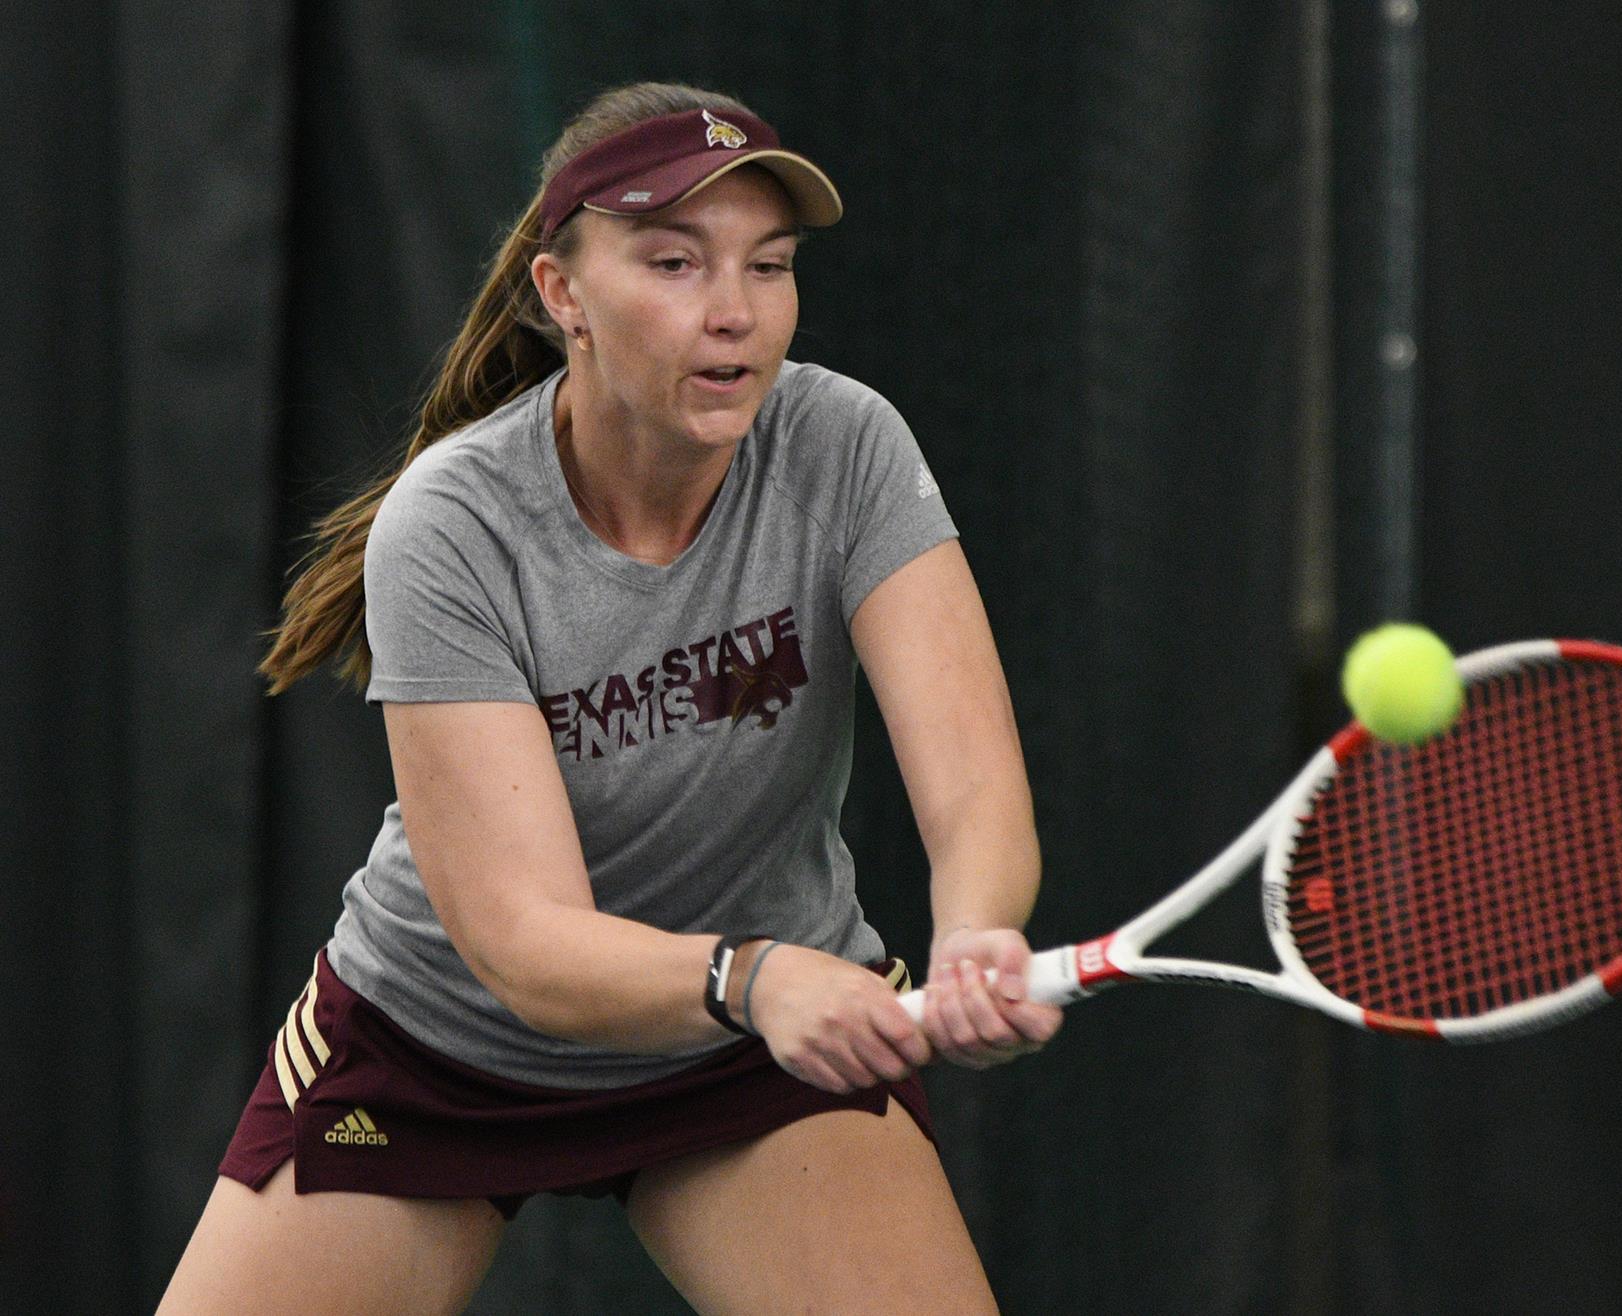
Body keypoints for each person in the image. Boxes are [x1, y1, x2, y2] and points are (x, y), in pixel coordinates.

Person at [159, 80, 1060, 1314]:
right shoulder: (452, 523)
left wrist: (971, 934)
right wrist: (757, 977)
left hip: (748, 1054)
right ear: (562, 292)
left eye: (770, 264)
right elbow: (527, 940)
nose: (736, 312)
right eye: (676, 262)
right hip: (439, 1049)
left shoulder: (846, 444)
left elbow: (972, 793)